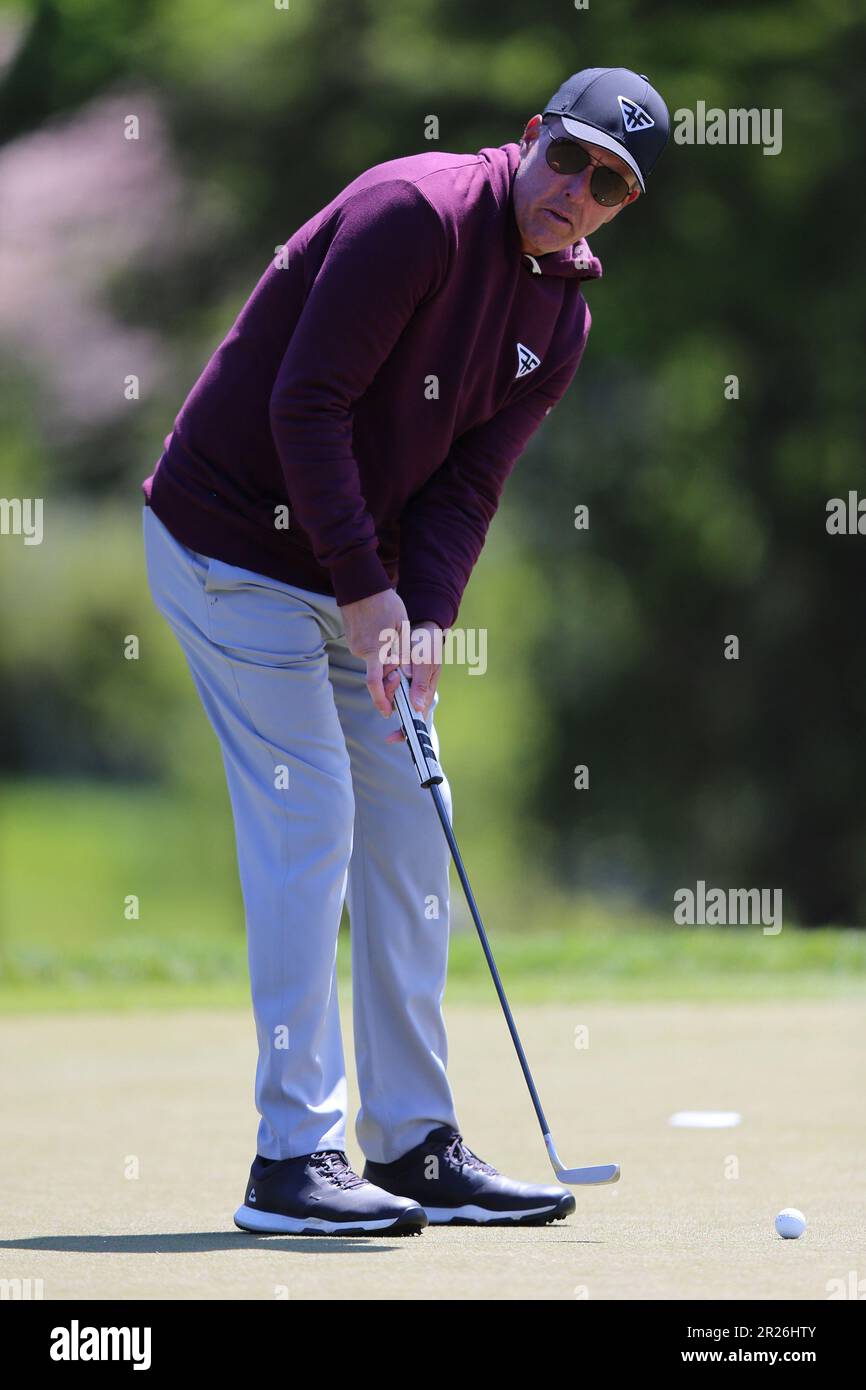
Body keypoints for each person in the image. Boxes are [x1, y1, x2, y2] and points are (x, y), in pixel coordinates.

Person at [142, 67, 670, 1236]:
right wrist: (369, 590)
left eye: (610, 186)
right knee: (310, 812)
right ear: (531, 136)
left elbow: (467, 484)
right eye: (571, 160)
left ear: (622, 205)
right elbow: (305, 405)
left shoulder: (563, 318)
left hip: (348, 574)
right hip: (229, 544)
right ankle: (291, 1159)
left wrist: (420, 618)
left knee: (409, 818)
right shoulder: (414, 215)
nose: (577, 193)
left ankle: (416, 1144)